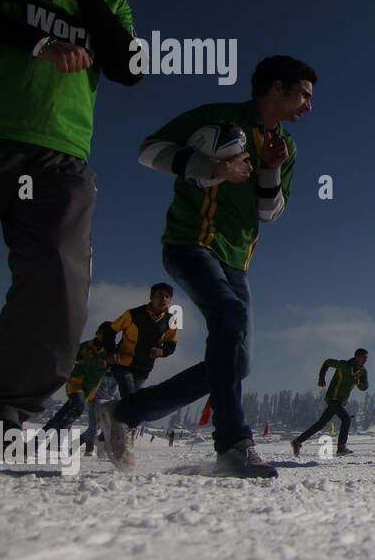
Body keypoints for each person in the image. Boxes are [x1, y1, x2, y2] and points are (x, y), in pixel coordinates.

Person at [0, 0, 141, 473]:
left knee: (55, 297)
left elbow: (128, 67)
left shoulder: (106, 0)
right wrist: (37, 41)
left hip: (60, 159)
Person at [100, 55, 315, 477]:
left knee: (237, 365)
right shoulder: (219, 116)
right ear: (276, 88)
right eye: (303, 95)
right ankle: (233, 443)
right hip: (190, 242)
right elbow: (149, 150)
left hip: (238, 261)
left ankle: (126, 412)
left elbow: (270, 213)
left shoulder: (286, 148)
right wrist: (212, 168)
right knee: (229, 315)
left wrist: (270, 169)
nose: (308, 106)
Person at [291, 350, 370, 457]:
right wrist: (321, 378)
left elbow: (365, 387)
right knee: (346, 419)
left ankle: (297, 442)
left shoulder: (362, 372)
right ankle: (341, 447)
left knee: (321, 423)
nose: (365, 360)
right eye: (363, 358)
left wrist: (359, 383)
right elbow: (327, 362)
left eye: (366, 358)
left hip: (341, 401)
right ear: (357, 357)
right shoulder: (343, 365)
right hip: (333, 397)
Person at [43, 323, 117, 435]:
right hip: (76, 383)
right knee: (78, 407)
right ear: (97, 333)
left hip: (89, 389)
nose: (104, 337)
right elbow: (69, 358)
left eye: (108, 336)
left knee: (63, 414)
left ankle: (37, 440)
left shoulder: (110, 353)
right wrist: (81, 358)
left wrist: (107, 365)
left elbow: (115, 369)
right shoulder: (85, 346)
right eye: (103, 334)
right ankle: (58, 438)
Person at [108, 283, 178, 398]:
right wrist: (111, 351)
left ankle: (111, 411)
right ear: (151, 297)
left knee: (134, 401)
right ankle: (111, 410)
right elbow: (109, 331)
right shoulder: (133, 314)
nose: (163, 299)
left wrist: (161, 351)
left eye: (167, 296)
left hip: (143, 368)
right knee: (130, 396)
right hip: (123, 363)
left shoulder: (171, 321)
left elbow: (171, 346)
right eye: (160, 295)